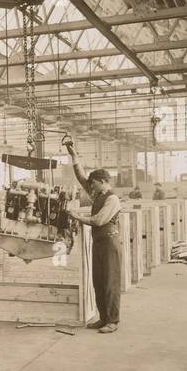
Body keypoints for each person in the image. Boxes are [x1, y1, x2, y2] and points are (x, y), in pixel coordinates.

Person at [67, 141, 123, 333]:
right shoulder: (98, 196)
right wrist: (74, 156)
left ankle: (113, 321)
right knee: (98, 281)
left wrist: (77, 216)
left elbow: (99, 220)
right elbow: (82, 179)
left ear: (102, 181)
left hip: (109, 243)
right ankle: (103, 318)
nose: (90, 187)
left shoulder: (112, 199)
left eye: (94, 184)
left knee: (110, 282)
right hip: (99, 242)